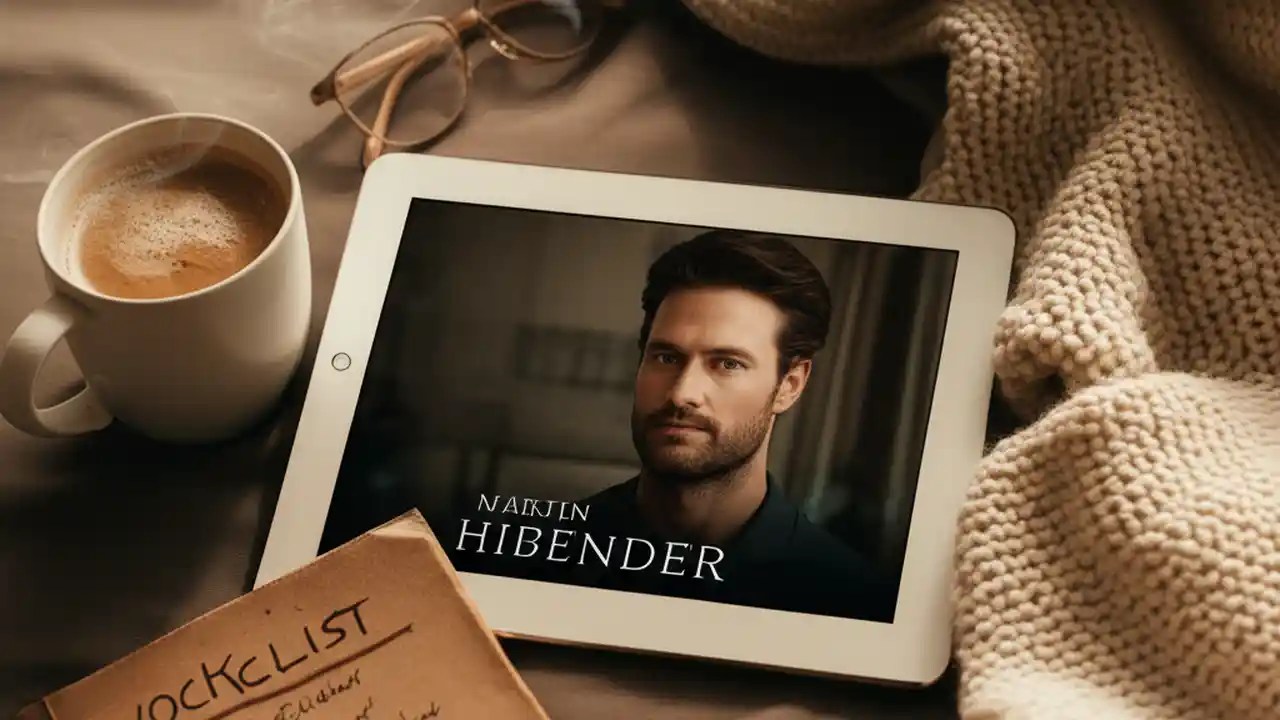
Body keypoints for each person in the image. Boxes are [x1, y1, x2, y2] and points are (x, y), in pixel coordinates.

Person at [563, 229, 894, 622]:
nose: (682, 394)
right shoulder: (541, 555)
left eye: (728, 363)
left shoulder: (854, 602)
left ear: (789, 385)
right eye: (667, 357)